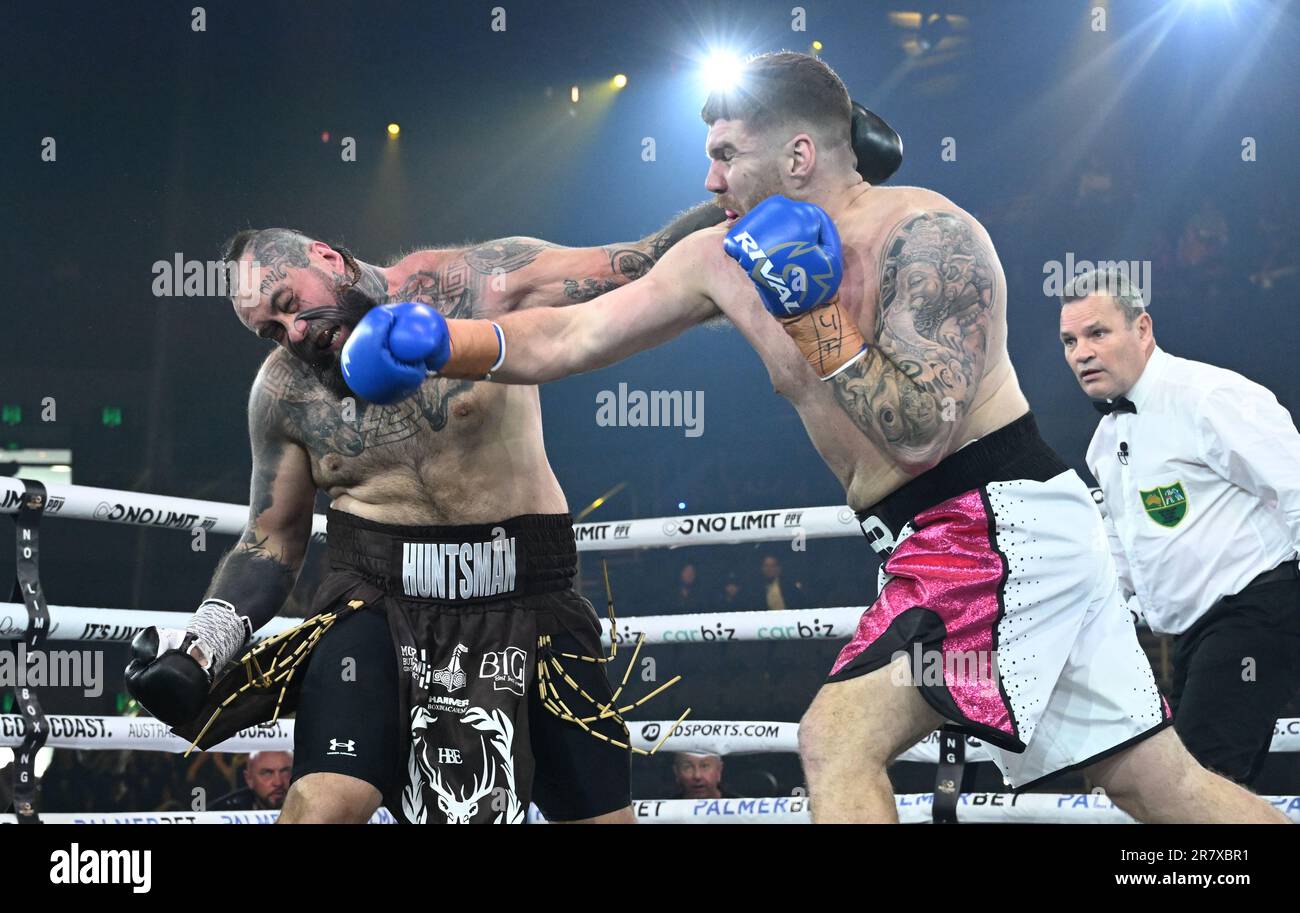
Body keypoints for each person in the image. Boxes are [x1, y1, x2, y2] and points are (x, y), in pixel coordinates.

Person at [344, 51, 1287, 823]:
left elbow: (920, 430)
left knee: (837, 737)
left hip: (996, 521)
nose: (708, 179)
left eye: (724, 154)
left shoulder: (927, 234)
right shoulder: (720, 255)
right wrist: (445, 346)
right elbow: (578, 332)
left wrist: (815, 315)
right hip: (938, 538)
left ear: (798, 156)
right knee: (1158, 784)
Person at [123, 202, 723, 825]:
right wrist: (203, 646)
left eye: (288, 301)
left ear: (328, 257)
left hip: (526, 591)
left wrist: (748, 200)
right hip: (377, 603)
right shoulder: (282, 394)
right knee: (324, 807)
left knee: (602, 819)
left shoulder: (474, 285)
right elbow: (270, 543)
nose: (294, 332)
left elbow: (642, 265)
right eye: (272, 328)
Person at [1060, 267, 1300, 785]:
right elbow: (1122, 553)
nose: (1081, 352)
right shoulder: (1104, 443)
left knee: (1193, 787)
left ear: (1142, 329)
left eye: (1097, 333)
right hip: (1187, 638)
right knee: (1212, 789)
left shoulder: (1208, 396)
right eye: (1070, 340)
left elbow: (1296, 486)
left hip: (1253, 615)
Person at [209, 750, 294, 811]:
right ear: (249, 779)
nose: (278, 782)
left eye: (285, 772)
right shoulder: (224, 811)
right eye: (267, 773)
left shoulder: (307, 804)